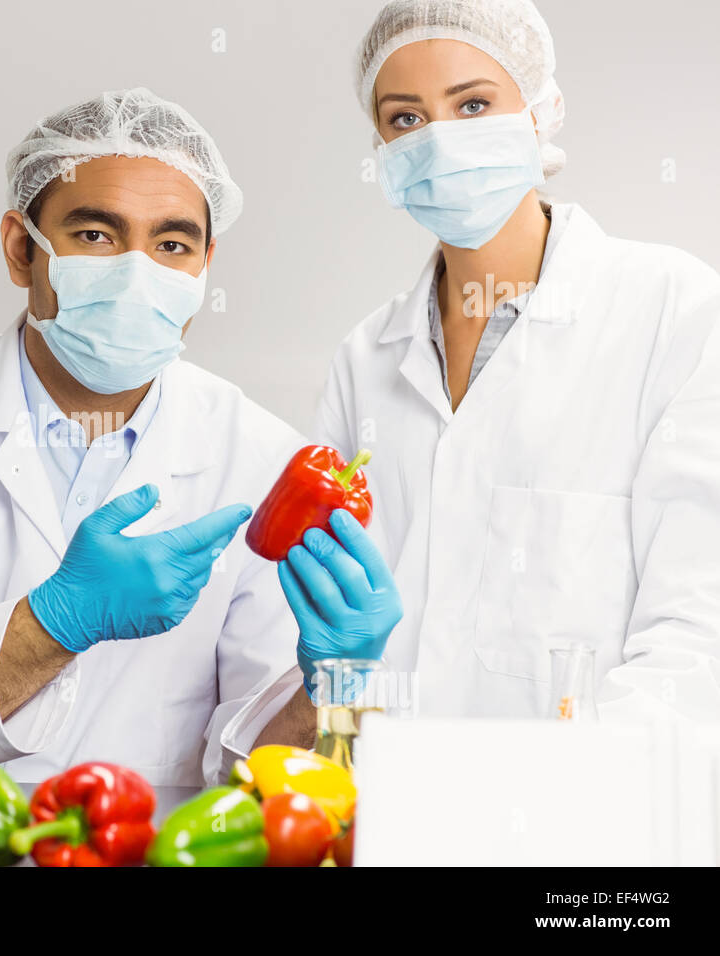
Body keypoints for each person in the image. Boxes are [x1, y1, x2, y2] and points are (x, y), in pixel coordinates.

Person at [0, 88, 400, 785]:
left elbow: (256, 777)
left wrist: (326, 688)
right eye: (97, 235)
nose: (139, 272)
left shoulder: (260, 459)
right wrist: (53, 624)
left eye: (172, 244)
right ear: (22, 248)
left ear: (204, 266)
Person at [244, 0, 720, 741]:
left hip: (588, 822)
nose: (441, 142)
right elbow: (319, 643)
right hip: (392, 811)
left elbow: (697, 639)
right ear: (380, 145)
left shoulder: (675, 310)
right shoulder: (366, 358)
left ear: (539, 110)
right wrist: (330, 675)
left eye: (473, 104)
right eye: (406, 119)